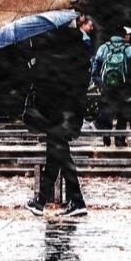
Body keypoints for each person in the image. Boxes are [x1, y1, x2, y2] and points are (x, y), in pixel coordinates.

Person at [21, 37, 87, 217]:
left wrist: (33, 68)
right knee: (58, 158)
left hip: (57, 117)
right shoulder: (70, 53)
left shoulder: (48, 59)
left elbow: (46, 90)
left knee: (58, 157)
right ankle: (68, 201)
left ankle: (43, 202)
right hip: (67, 114)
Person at [90, 25, 131, 147]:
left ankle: (106, 137)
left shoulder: (103, 48)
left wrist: (101, 84)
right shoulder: (130, 50)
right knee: (123, 114)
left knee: (107, 110)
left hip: (107, 87)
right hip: (125, 88)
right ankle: (120, 140)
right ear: (124, 36)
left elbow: (95, 71)